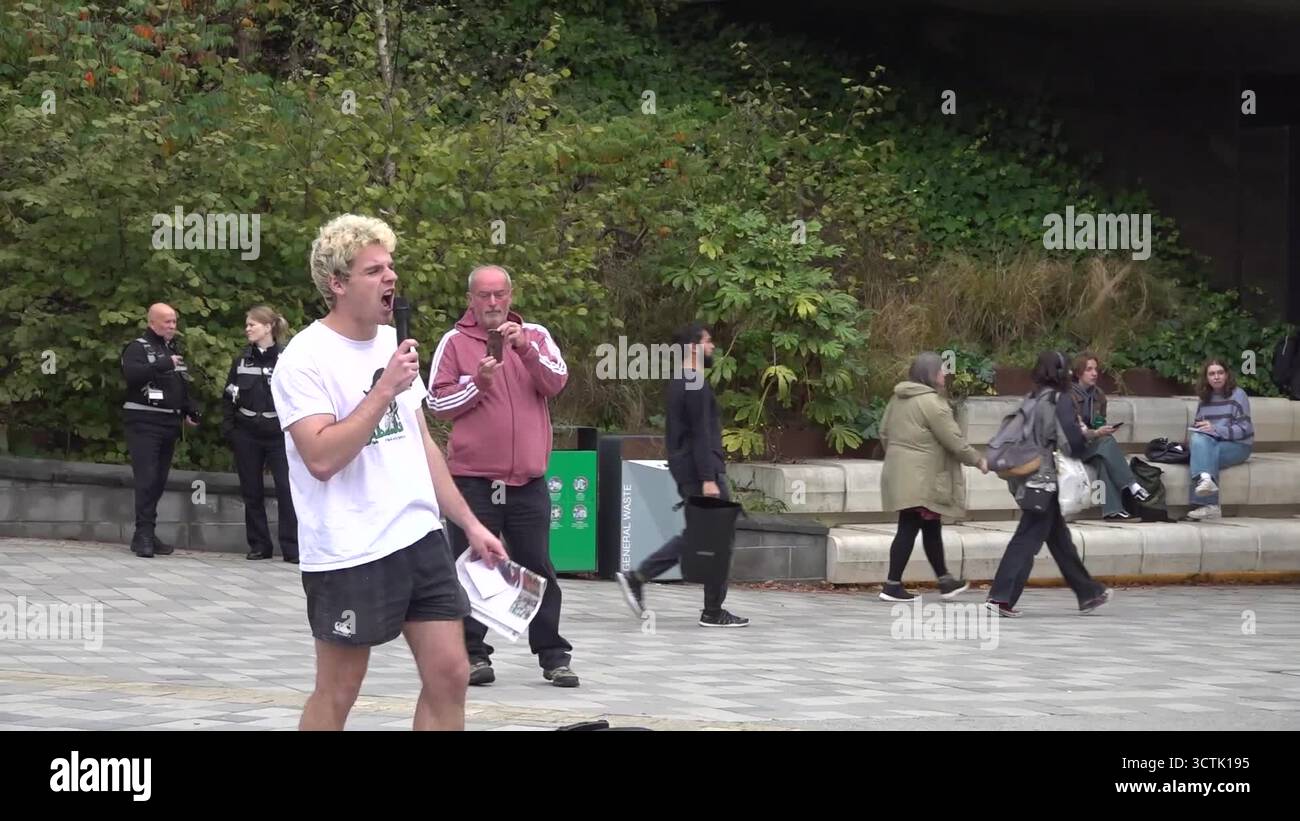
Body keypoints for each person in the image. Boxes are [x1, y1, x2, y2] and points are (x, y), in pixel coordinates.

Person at [271, 214, 507, 731]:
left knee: (451, 672)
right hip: (349, 549)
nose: (390, 277)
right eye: (374, 269)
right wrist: (382, 392)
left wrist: (469, 524)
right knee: (338, 693)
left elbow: (421, 444)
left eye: (391, 266)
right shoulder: (302, 359)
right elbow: (322, 458)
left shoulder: (390, 345)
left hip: (417, 535)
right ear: (337, 284)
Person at [427, 264, 578, 688]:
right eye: (483, 295)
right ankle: (473, 654)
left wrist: (525, 348)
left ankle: (553, 654)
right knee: (472, 567)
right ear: (470, 300)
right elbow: (436, 404)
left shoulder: (537, 334)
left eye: (499, 295)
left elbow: (557, 382)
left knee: (539, 569)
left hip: (528, 480)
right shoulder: (454, 343)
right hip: (474, 480)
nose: (492, 303)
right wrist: (478, 383)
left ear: (511, 296)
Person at [615, 323, 750, 628]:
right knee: (716, 537)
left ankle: (647, 580)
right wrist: (709, 477)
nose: (712, 347)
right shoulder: (694, 383)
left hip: (689, 468)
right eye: (707, 342)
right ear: (692, 347)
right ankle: (709, 609)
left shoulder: (682, 380)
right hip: (702, 470)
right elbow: (700, 434)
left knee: (704, 535)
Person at [985, 351, 1112, 618]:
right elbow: (1069, 443)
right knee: (1026, 539)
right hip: (1043, 479)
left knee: (1059, 539)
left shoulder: (1033, 397)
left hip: (1030, 475)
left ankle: (1089, 592)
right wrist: (1086, 437)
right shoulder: (1058, 399)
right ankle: (1001, 597)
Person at [877, 351, 988, 602]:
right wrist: (978, 460)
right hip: (922, 477)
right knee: (909, 527)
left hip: (903, 472)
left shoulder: (898, 398)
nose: (945, 373)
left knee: (929, 526)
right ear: (929, 374)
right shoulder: (932, 403)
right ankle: (892, 585)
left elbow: (884, 433)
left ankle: (945, 580)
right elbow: (954, 441)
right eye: (941, 369)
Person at [120, 303, 200, 558]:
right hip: (144, 422)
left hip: (169, 423)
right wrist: (162, 364)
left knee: (158, 481)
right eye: (167, 322)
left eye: (175, 322)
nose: (172, 326)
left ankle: (145, 533)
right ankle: (143, 534)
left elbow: (179, 386)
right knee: (146, 478)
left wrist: (189, 409)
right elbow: (132, 376)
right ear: (152, 322)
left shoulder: (171, 349)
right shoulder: (137, 348)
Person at [222, 305, 299, 562]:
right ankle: (259, 545)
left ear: (268, 327)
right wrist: (230, 428)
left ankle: (292, 546)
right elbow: (229, 394)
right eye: (247, 325)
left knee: (287, 489)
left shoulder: (288, 358)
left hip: (278, 433)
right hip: (247, 433)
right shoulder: (242, 360)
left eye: (252, 324)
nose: (247, 329)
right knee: (251, 490)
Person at [1069, 352, 1150, 519]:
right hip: (1072, 445)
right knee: (1106, 442)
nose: (1094, 373)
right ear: (1078, 373)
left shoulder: (1099, 395)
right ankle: (1132, 485)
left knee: (1102, 460)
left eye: (1096, 369)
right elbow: (1072, 430)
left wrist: (1102, 429)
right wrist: (1097, 433)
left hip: (1092, 444)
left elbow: (1099, 421)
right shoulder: (1068, 395)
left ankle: (1112, 511)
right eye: (1089, 369)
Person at [1185, 357, 1254, 521]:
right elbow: (1200, 427)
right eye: (1212, 374)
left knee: (1203, 451)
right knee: (1198, 440)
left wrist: (1216, 429)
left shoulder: (1238, 395)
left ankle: (1208, 504)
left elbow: (1245, 429)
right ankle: (1207, 482)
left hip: (1238, 445)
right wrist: (1202, 429)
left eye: (1220, 373)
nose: (1216, 377)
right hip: (1211, 443)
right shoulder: (1204, 398)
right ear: (1206, 378)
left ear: (1227, 375)